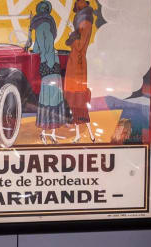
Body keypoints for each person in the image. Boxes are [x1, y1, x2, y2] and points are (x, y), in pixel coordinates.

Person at [30, 1, 66, 144]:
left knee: (46, 98)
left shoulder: (37, 26)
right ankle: (52, 134)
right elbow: (49, 44)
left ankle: (45, 133)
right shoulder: (48, 24)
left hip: (44, 65)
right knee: (54, 97)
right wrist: (51, 60)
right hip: (52, 64)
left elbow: (37, 49)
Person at [64, 0, 96, 143]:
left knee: (78, 101)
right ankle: (87, 135)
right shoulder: (84, 23)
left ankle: (87, 134)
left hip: (78, 66)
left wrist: (72, 31)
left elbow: (79, 45)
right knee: (76, 102)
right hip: (76, 65)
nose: (75, 6)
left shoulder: (86, 23)